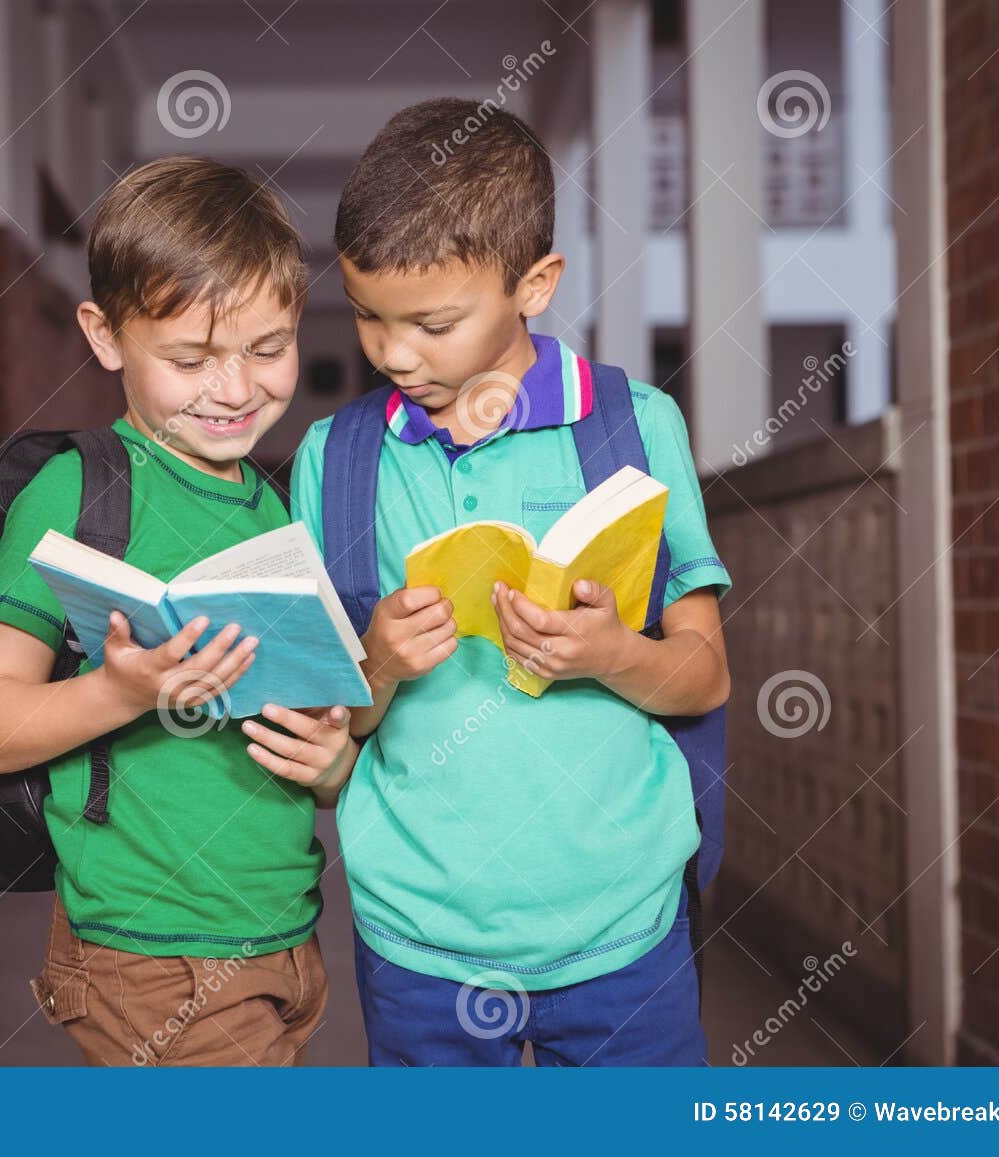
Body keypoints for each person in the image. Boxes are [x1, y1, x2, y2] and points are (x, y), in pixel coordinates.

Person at [290, 99, 732, 1066]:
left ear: (534, 284)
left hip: (624, 925)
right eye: (367, 315)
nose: (394, 353)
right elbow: (333, 725)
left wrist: (613, 652)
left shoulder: (636, 425)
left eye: (433, 322)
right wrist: (380, 663)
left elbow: (703, 677)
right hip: (418, 939)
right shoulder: (336, 459)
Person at [0, 157, 355, 1066]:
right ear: (104, 335)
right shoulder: (78, 495)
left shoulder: (277, 506)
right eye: (190, 358)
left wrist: (334, 763)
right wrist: (120, 692)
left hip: (285, 935)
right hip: (152, 956)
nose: (236, 388)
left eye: (267, 346)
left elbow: (309, 725)